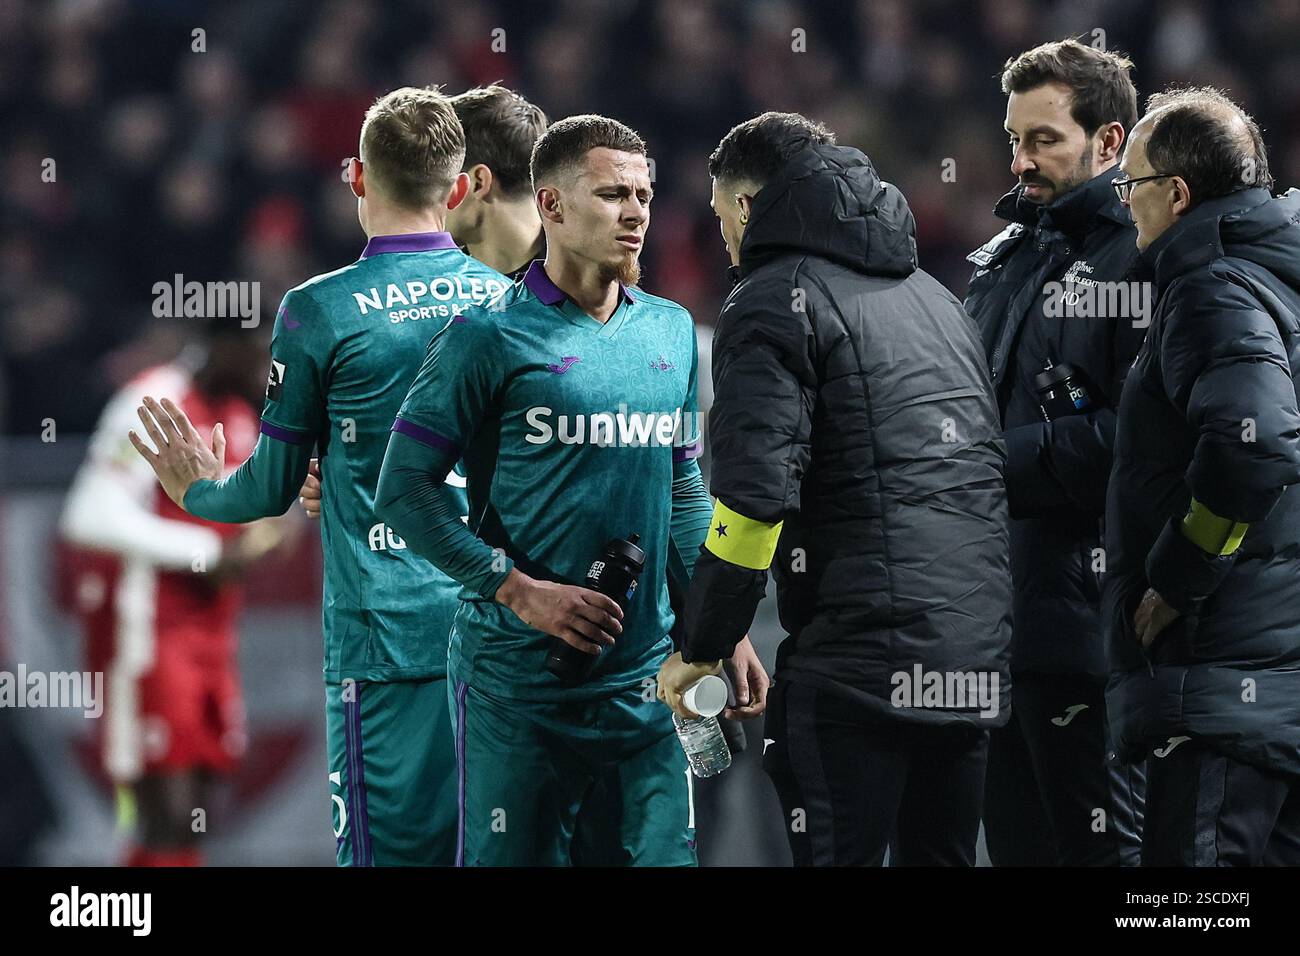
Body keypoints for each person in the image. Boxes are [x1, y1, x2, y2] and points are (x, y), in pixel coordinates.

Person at [129, 86, 509, 865]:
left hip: (387, 641)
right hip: (502, 636)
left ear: (358, 179)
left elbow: (265, 489)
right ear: (461, 187)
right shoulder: (508, 302)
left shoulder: (320, 309)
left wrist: (194, 487)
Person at [374, 113, 764, 866]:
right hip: (519, 686)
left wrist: (722, 624)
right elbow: (404, 493)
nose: (636, 213)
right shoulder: (482, 337)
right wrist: (517, 590)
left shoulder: (673, 331)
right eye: (612, 193)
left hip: (651, 688)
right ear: (550, 205)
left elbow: (681, 488)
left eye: (644, 195)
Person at [659, 111, 1012, 866]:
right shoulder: (938, 302)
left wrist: (703, 644)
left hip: (857, 674)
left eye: (722, 219)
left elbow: (753, 501)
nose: (724, 243)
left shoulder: (770, 299)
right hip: (969, 664)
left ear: (748, 208)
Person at [1105, 86, 1300, 866]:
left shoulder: (1210, 285)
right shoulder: (1280, 276)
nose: (1126, 206)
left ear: (1177, 193)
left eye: (1131, 185)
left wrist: (1178, 576)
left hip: (1223, 690)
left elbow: (1253, 444)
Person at [963, 39, 1146, 865]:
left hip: (1089, 626)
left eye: (1043, 140)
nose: (1020, 161)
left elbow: (1137, 440)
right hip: (1003, 626)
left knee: (1101, 853)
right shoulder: (1010, 258)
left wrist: (979, 463)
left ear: (1110, 143)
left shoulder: (1141, 259)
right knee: (1020, 848)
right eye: (1014, 139)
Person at [61, 319, 280, 866]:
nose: (269, 368)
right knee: (168, 805)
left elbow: (260, 522)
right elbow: (88, 515)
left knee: (200, 799)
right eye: (261, 353)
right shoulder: (156, 398)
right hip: (146, 629)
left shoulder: (242, 409)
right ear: (224, 347)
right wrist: (205, 552)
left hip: (212, 630)